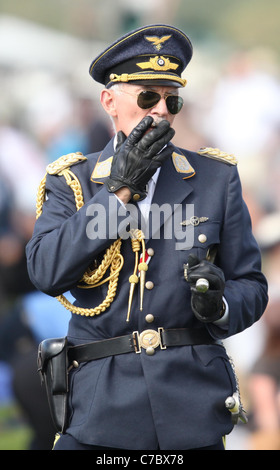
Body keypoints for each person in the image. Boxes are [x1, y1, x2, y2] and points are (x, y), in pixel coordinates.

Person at [26, 24, 268, 451]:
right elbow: (47, 271)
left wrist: (220, 302)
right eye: (146, 97)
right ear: (109, 101)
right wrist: (118, 192)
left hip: (191, 402)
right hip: (102, 405)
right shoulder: (73, 179)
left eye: (171, 99)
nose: (160, 110)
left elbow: (251, 282)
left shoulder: (215, 177)